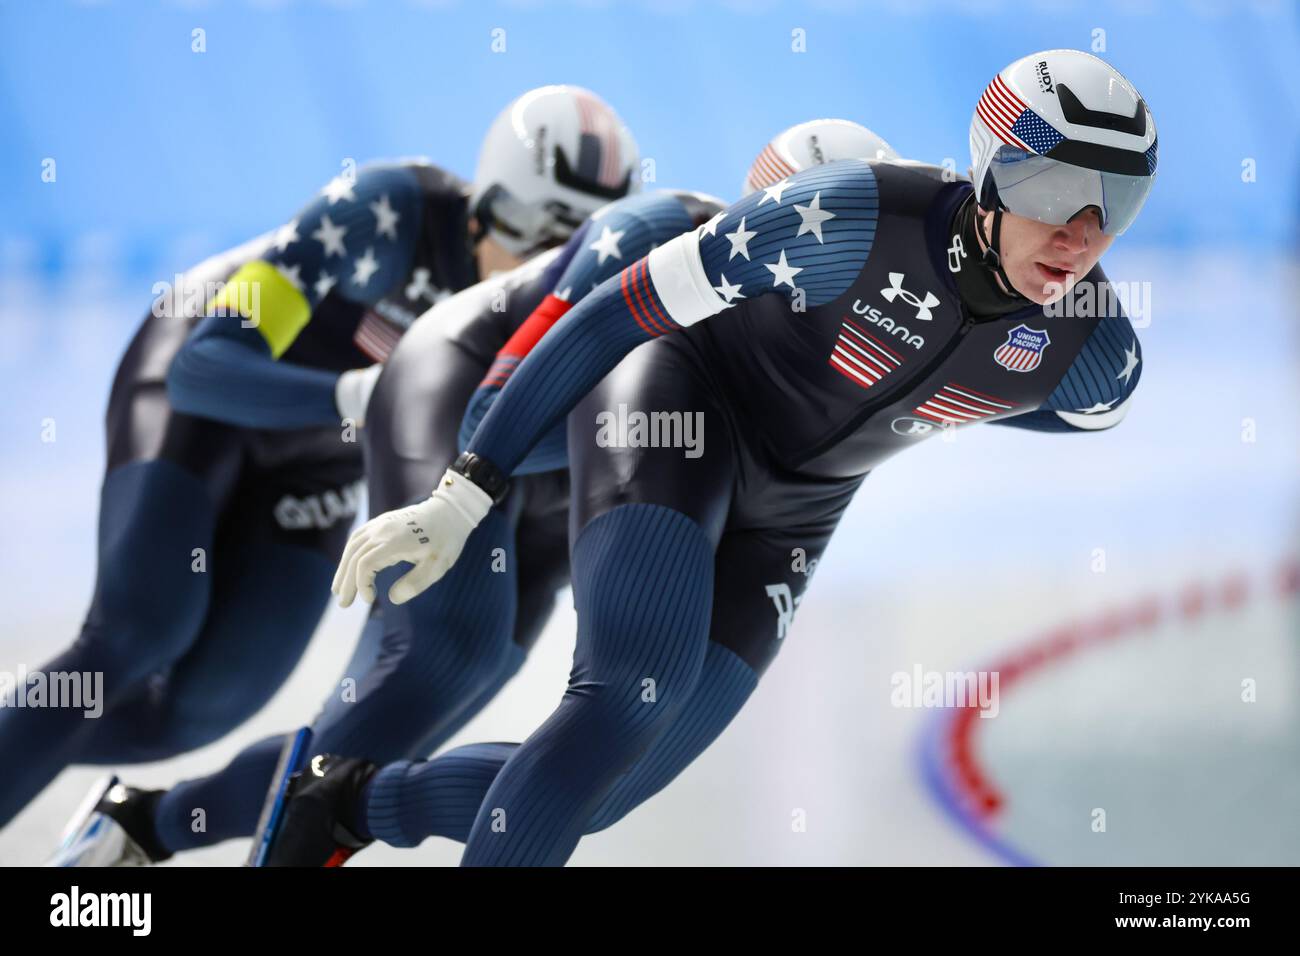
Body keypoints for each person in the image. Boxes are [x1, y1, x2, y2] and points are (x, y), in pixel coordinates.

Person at [318, 50, 1156, 867]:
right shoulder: (852, 218)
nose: (1082, 236)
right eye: (1057, 191)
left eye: (1116, 202)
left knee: (606, 790)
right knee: (618, 701)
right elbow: (619, 315)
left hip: (798, 508)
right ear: (992, 172)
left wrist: (928, 405)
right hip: (688, 398)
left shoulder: (1092, 355)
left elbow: (1048, 407)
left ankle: (351, 803)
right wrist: (464, 494)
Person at [52, 119, 899, 867]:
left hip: (567, 466)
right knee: (434, 663)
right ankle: (240, 813)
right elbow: (499, 400)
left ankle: (163, 821)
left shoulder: (899, 319)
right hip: (472, 418)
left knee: (587, 780)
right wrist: (489, 490)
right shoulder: (649, 236)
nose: (818, 304)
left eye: (850, 286)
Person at [7, 85, 640, 850]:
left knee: (197, 711)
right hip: (206, 405)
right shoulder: (383, 216)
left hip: (316, 462)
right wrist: (364, 394)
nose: (546, 285)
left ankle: (48, 740)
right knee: (138, 634)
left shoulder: (552, 304)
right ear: (490, 210)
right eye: (539, 249)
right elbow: (205, 367)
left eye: (571, 265)